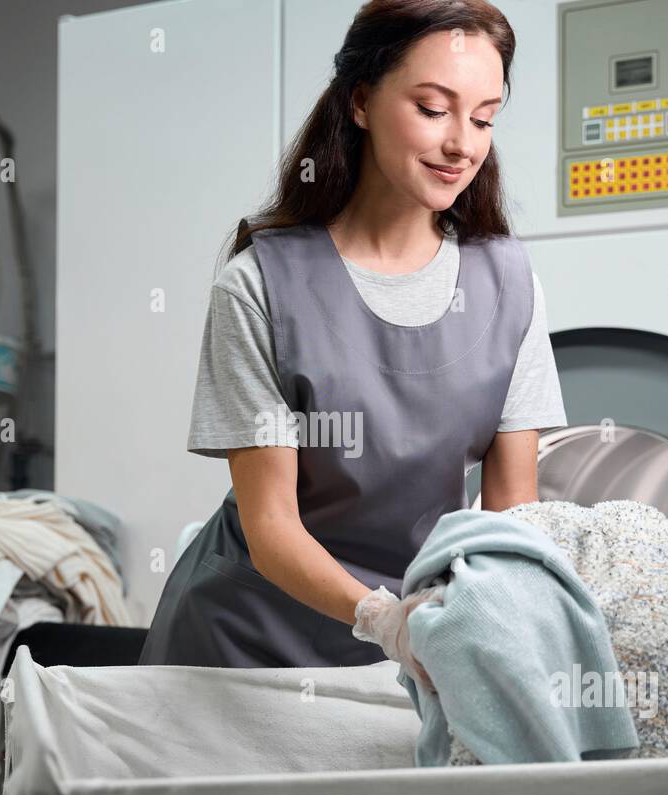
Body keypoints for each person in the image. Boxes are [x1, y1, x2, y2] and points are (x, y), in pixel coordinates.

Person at [138, 0, 566, 690]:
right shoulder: (263, 284)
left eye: (484, 118)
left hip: (414, 639)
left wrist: (499, 619)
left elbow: (513, 510)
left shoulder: (508, 285)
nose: (463, 142)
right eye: (433, 109)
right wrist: (383, 618)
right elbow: (272, 523)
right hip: (246, 647)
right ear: (362, 100)